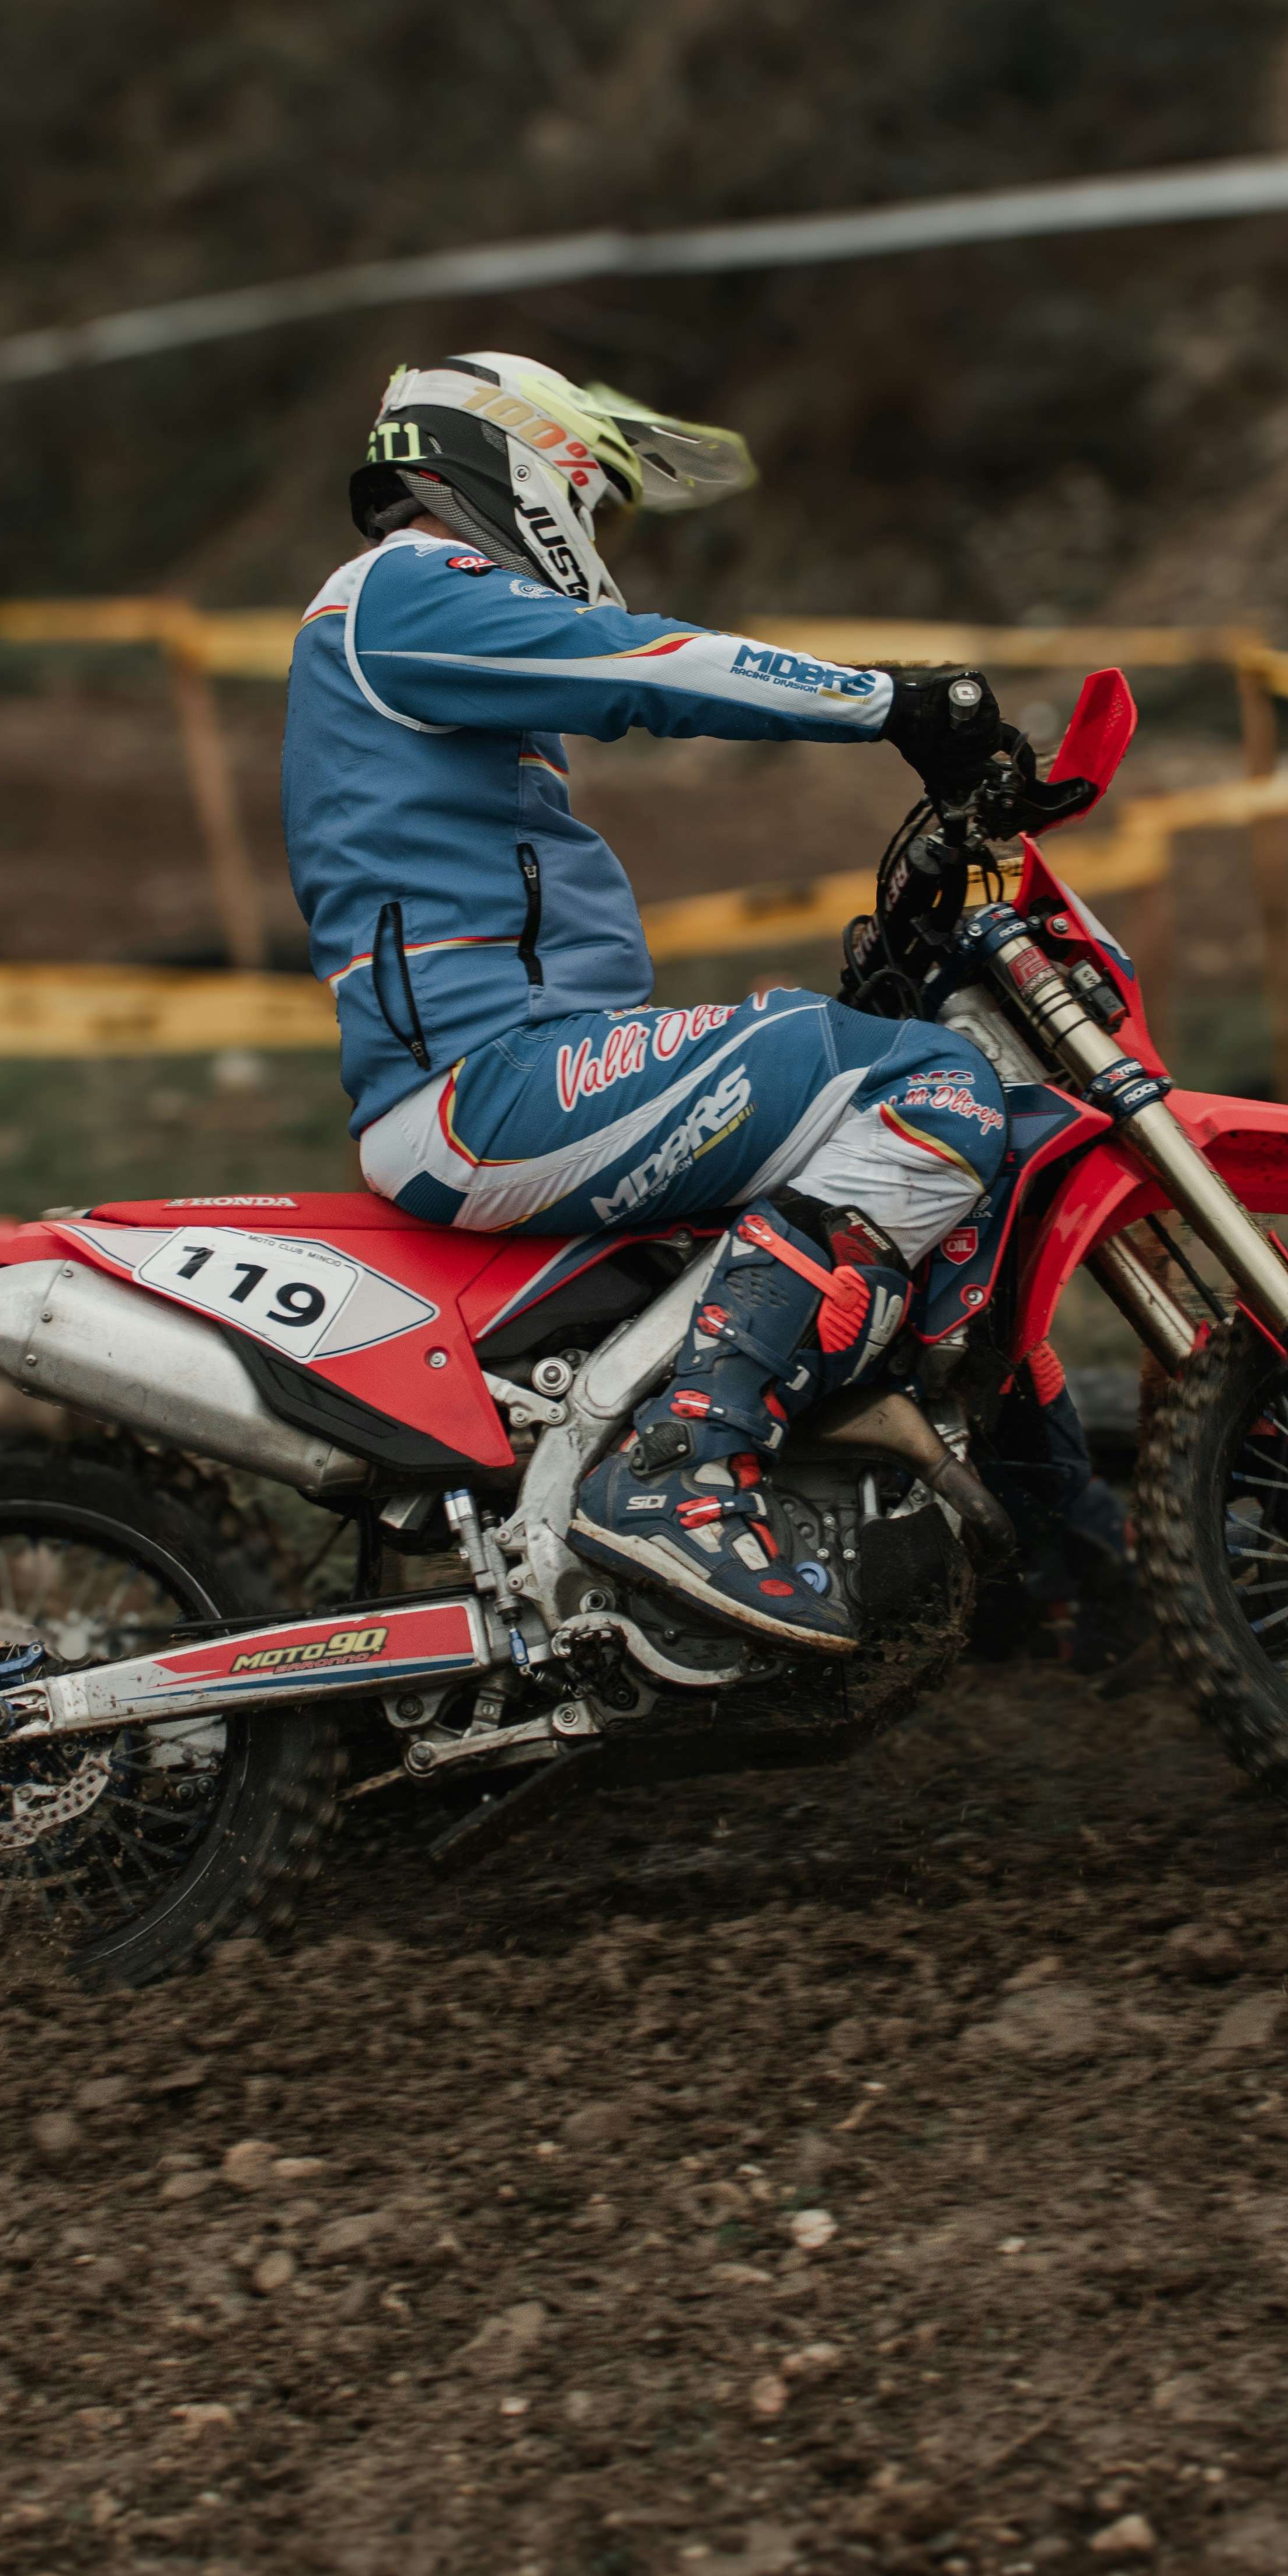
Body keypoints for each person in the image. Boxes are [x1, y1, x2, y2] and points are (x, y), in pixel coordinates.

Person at [281, 347, 1025, 1657]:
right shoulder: (403, 587)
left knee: (853, 1075)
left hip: (517, 1070)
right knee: (936, 1087)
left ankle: (1033, 1558)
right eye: (594, 503)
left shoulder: (419, 623)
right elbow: (643, 665)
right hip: (486, 1088)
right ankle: (684, 1472)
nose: (597, 539)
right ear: (524, 472)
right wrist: (891, 702)